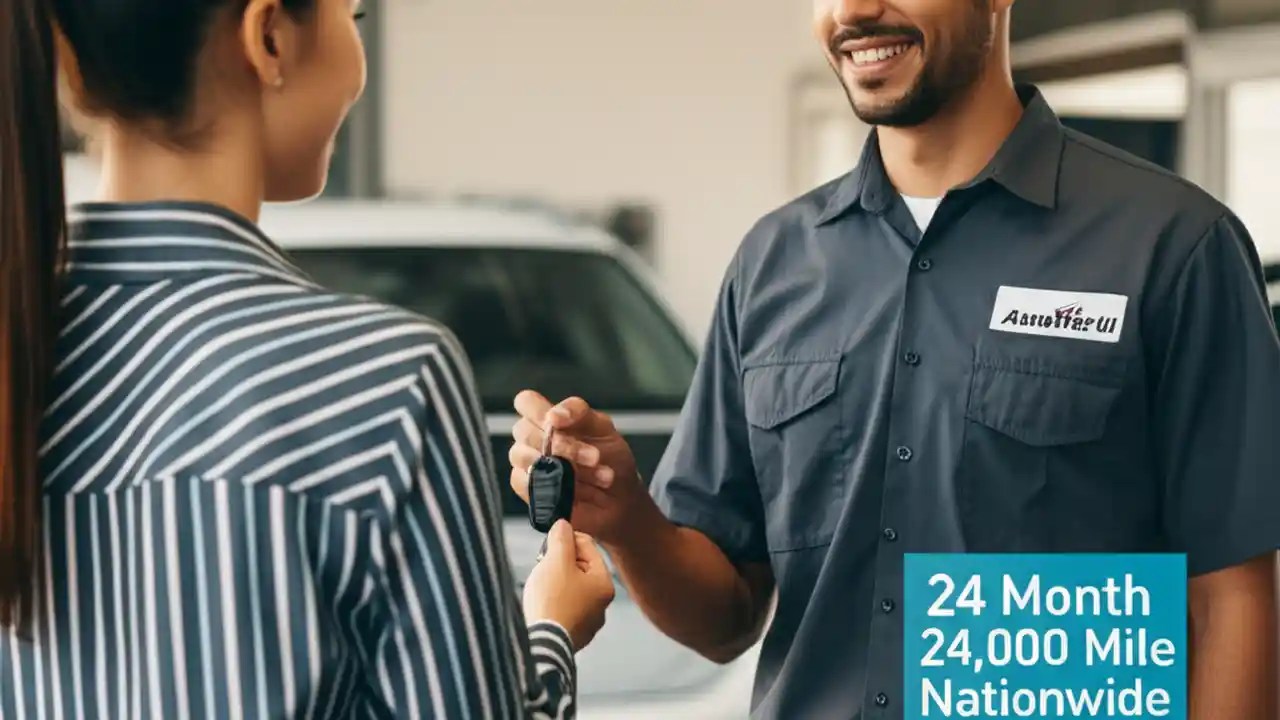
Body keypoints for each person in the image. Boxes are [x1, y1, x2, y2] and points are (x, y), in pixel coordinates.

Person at [509, 0, 1280, 718]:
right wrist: (629, 521)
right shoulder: (774, 265)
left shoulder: (1172, 248)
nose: (854, 11)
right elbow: (725, 620)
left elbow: (1231, 602)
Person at [0, 0, 614, 717]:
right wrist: (550, 633)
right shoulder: (387, 377)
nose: (357, 57)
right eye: (352, 16)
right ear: (268, 36)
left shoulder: (23, 354)